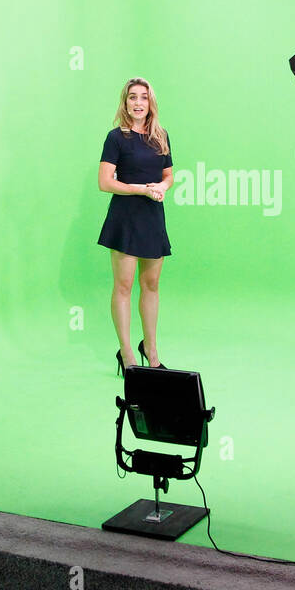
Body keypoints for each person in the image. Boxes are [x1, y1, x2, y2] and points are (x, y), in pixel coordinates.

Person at [98, 78, 173, 374]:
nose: (138, 103)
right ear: (125, 102)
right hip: (125, 218)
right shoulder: (116, 137)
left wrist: (163, 187)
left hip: (153, 216)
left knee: (151, 285)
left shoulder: (162, 136)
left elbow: (168, 174)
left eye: (143, 97)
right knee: (124, 286)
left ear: (150, 102)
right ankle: (127, 353)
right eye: (132, 98)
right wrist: (141, 188)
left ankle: (151, 352)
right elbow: (105, 182)